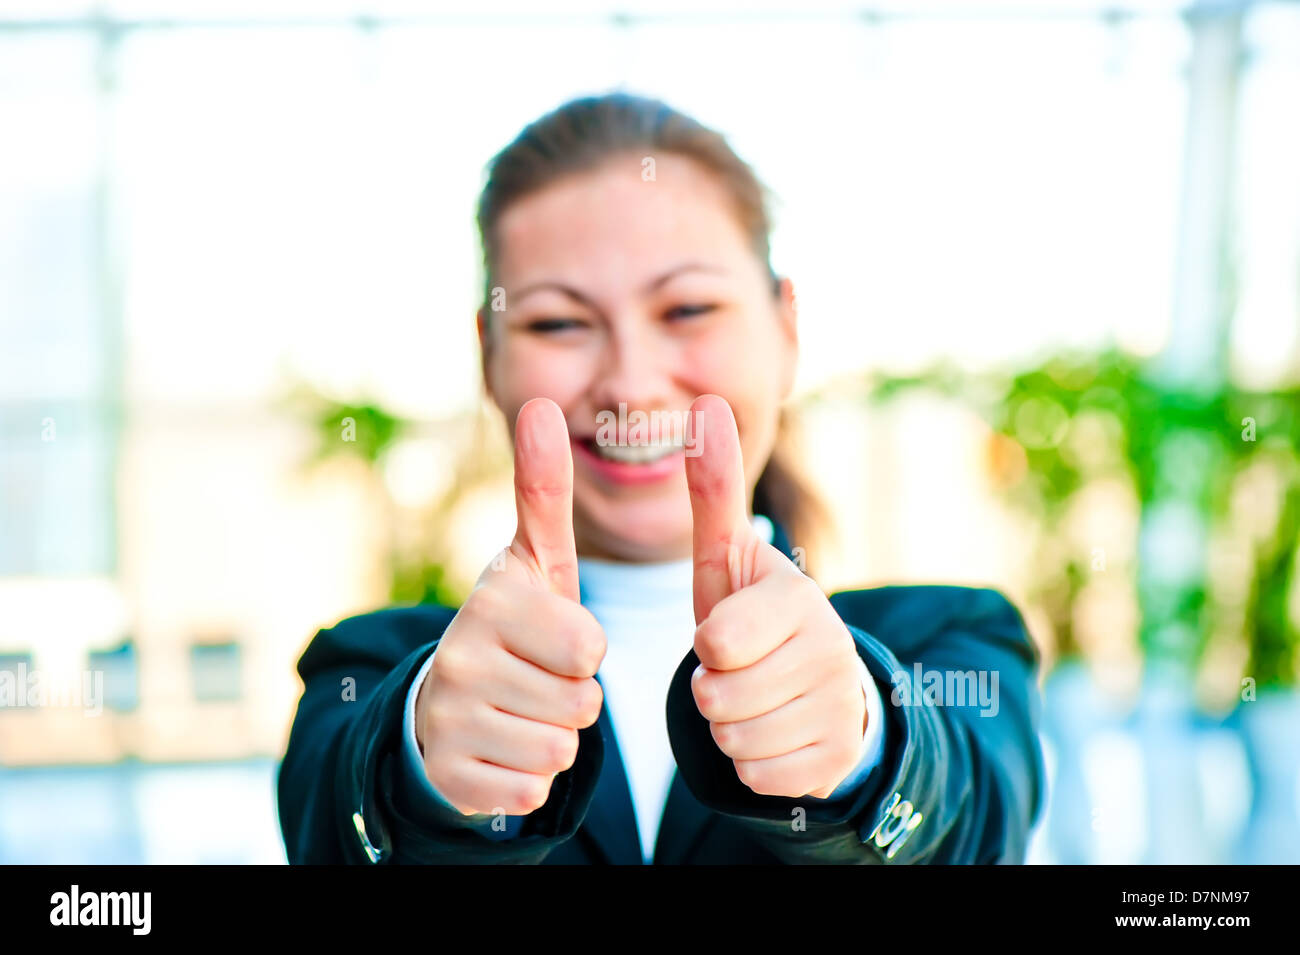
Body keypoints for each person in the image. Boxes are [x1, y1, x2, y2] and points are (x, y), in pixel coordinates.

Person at [276, 92, 1046, 865]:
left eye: (687, 308)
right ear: (489, 355)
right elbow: (335, 826)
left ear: (786, 331)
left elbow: (973, 822)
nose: (631, 384)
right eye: (557, 322)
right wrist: (422, 770)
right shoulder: (368, 673)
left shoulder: (950, 645)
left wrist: (870, 749)